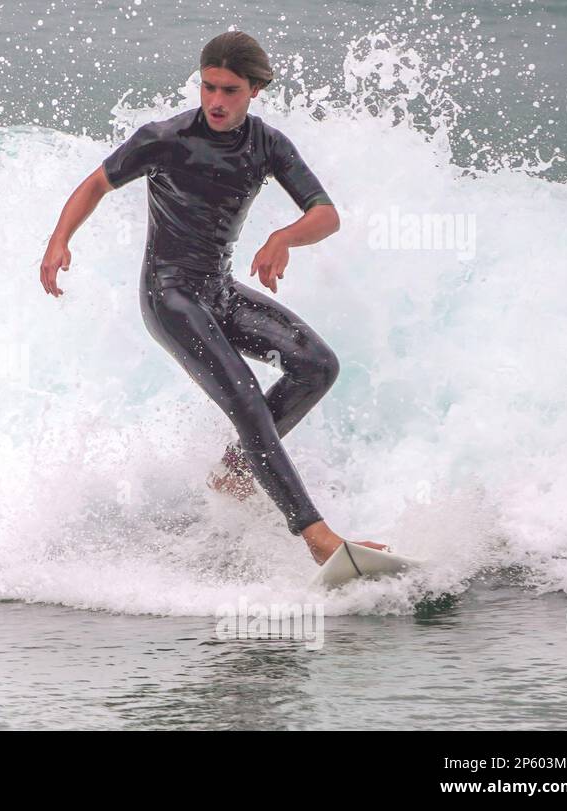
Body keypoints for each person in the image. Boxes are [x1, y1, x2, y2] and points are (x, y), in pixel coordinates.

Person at [38, 31, 387, 565]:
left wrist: (283, 237)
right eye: (208, 87)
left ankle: (235, 472)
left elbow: (326, 214)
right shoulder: (163, 138)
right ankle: (317, 538)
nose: (217, 101)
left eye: (229, 90)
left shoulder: (267, 144)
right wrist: (60, 240)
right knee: (247, 400)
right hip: (170, 296)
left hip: (219, 291)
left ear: (254, 90)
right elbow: (95, 186)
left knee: (317, 366)